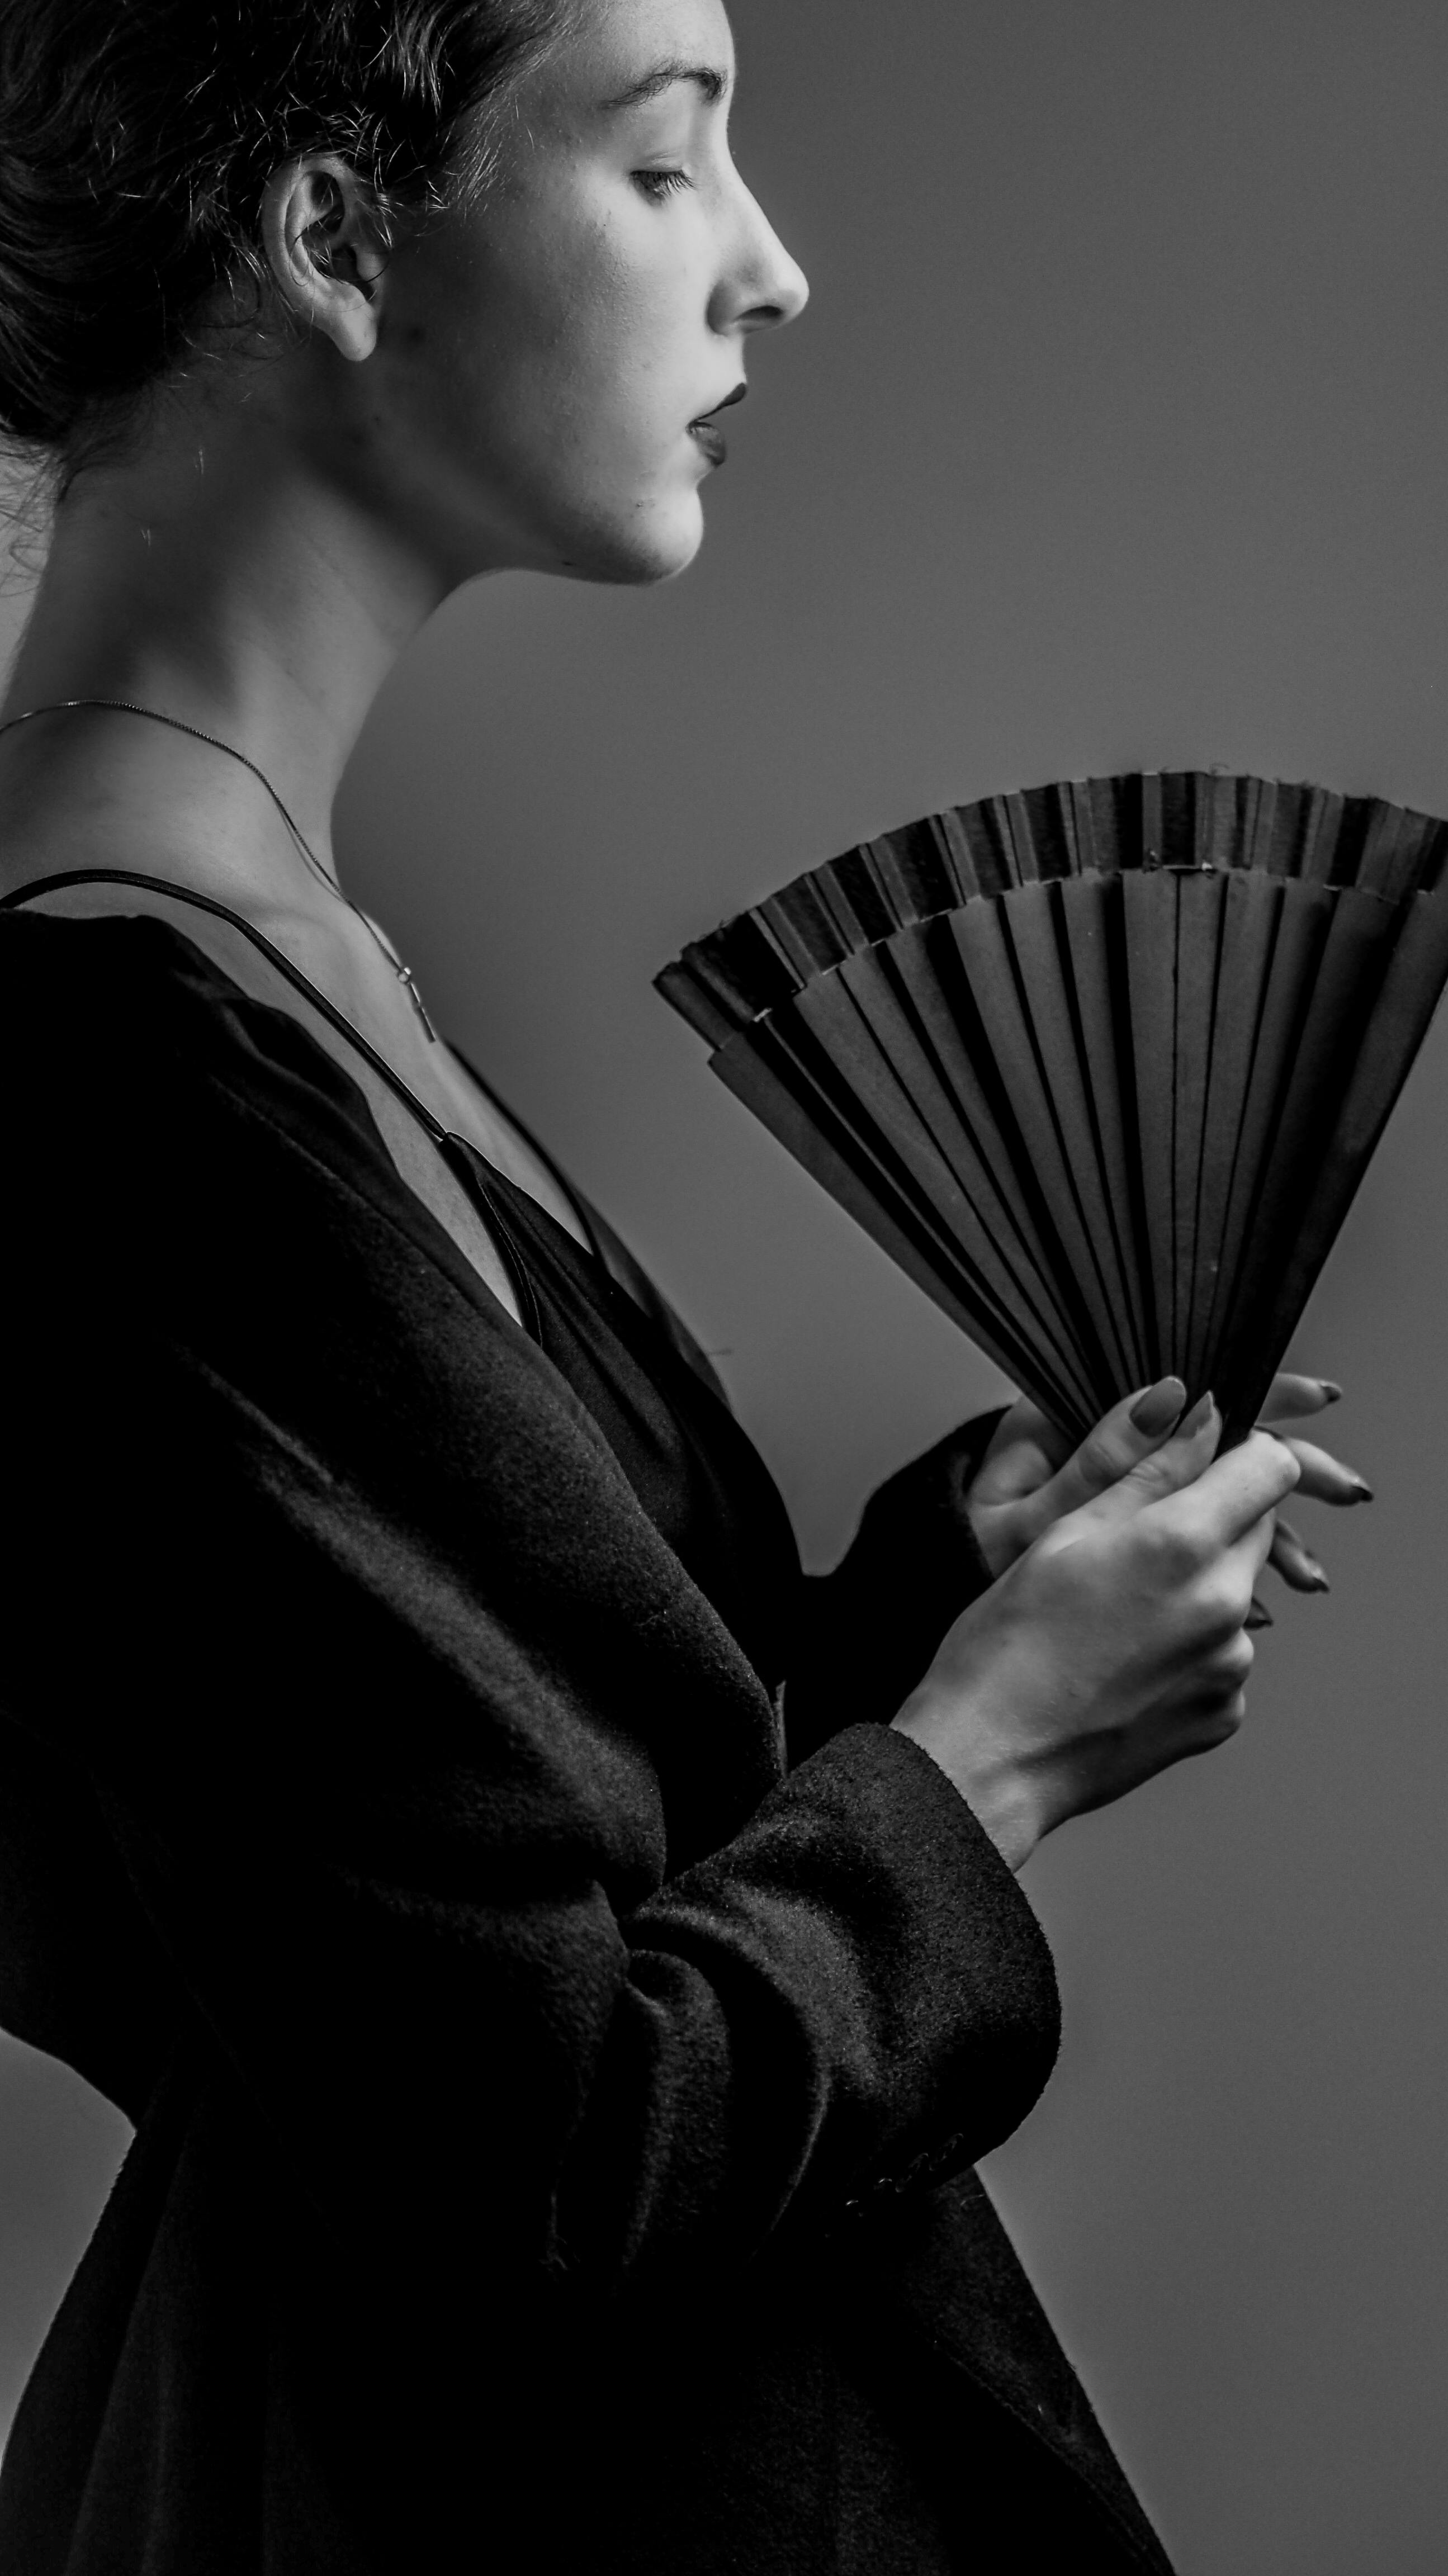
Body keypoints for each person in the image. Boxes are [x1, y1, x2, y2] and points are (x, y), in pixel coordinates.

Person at [0, 1, 1367, 2566]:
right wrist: (1000, 1759)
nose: (776, 269)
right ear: (331, 232)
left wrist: (953, 1591)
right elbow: (526, 2159)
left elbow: (486, 1861)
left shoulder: (258, 957)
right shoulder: (110, 1078)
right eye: (666, 160)